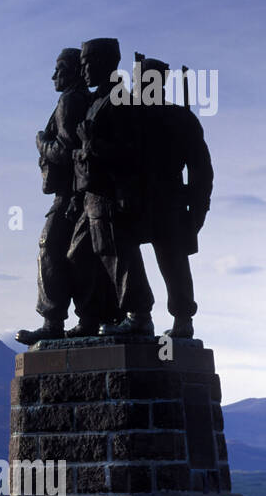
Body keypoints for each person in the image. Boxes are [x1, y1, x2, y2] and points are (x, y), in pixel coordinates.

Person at [15, 49, 109, 343]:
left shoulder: (69, 101)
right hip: (80, 194)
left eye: (60, 69)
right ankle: (86, 318)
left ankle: (53, 321)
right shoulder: (83, 99)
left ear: (73, 72)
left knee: (50, 247)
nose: (54, 76)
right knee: (80, 256)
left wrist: (41, 143)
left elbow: (66, 152)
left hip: (71, 195)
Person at [67, 37, 156, 337]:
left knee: (118, 252)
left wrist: (93, 146)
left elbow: (133, 150)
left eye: (88, 63)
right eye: (81, 64)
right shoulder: (94, 101)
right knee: (78, 255)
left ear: (106, 63)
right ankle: (92, 316)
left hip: (111, 192)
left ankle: (139, 314)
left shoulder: (120, 99)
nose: (84, 70)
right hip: (90, 193)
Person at [135, 57, 213, 338]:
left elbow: (200, 170)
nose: (136, 85)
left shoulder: (179, 118)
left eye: (141, 80)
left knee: (173, 261)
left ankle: (181, 319)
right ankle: (137, 314)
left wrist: (198, 210)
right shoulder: (130, 116)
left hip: (166, 200)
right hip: (136, 199)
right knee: (127, 257)